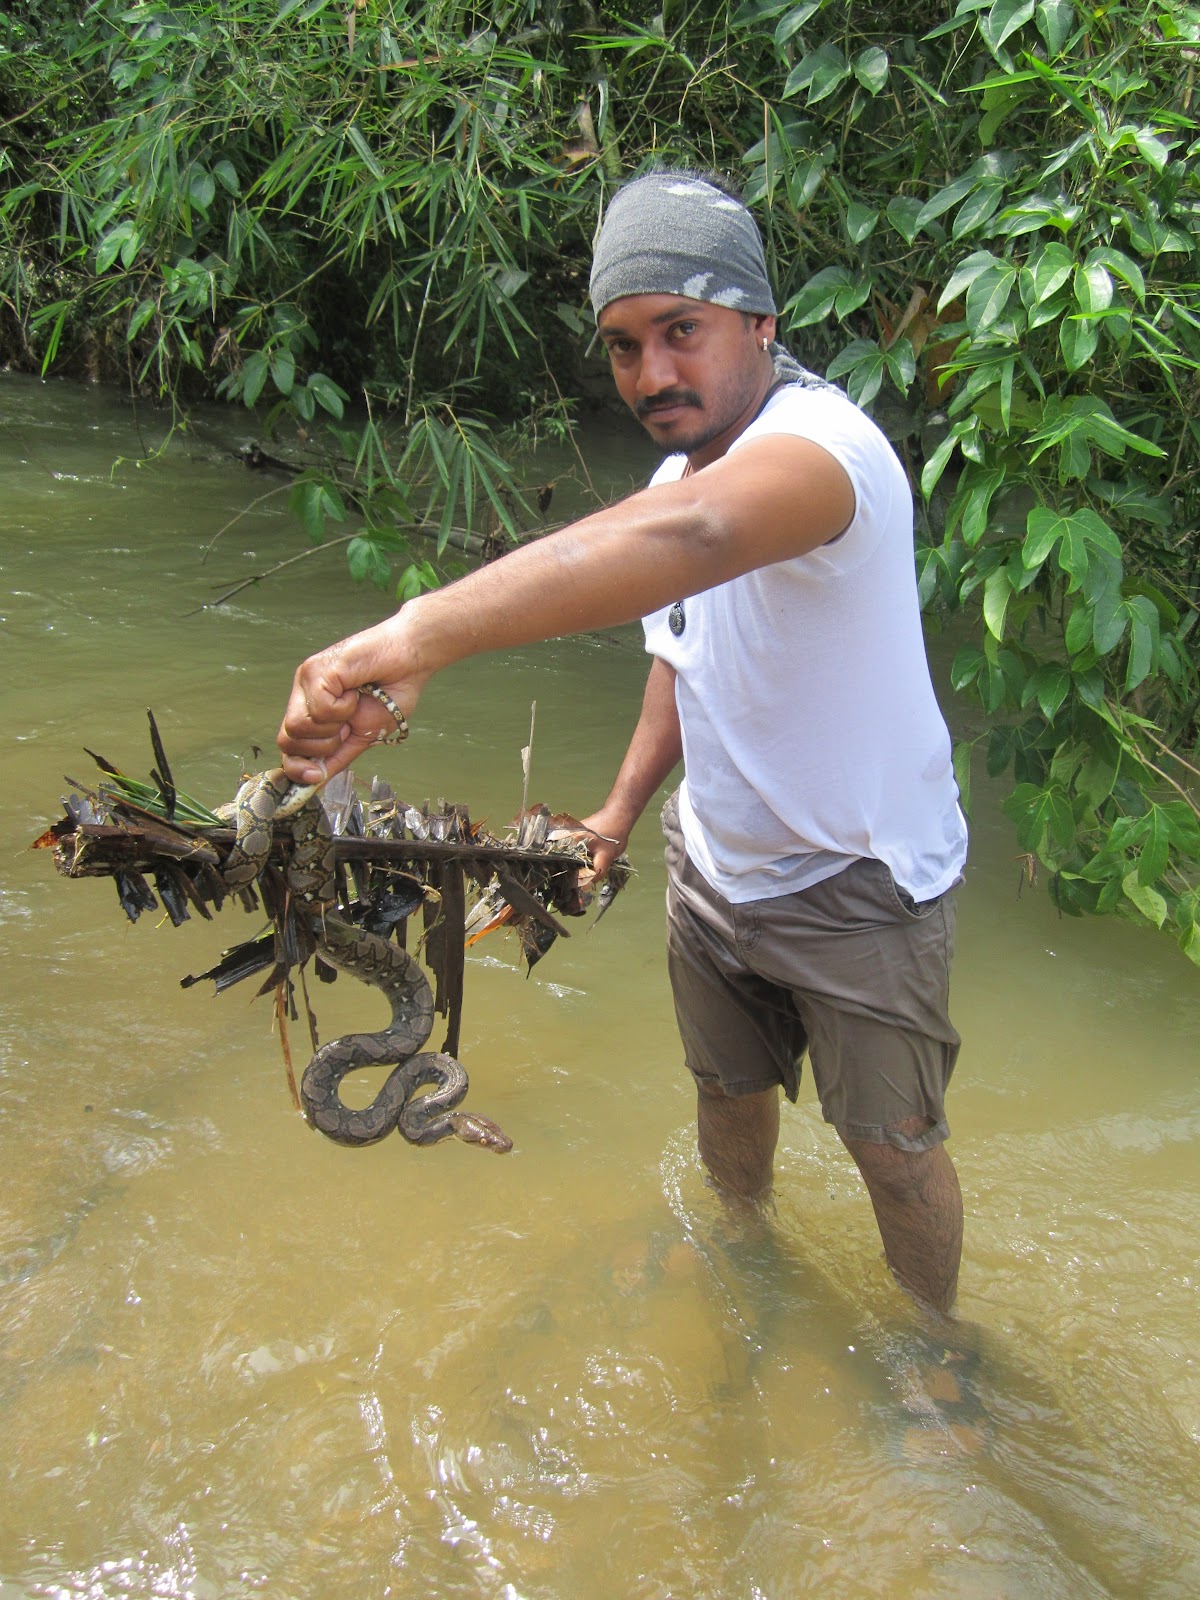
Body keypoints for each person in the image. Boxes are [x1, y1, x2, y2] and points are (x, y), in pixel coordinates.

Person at [278, 171, 969, 1318]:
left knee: (892, 1149)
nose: (651, 375)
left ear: (762, 321)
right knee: (725, 1091)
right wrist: (619, 811)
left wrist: (413, 636)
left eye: (681, 332)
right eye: (622, 345)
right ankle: (744, 1255)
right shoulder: (672, 475)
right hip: (717, 866)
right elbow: (683, 655)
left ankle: (936, 1353)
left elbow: (694, 538)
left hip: (859, 881)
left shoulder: (823, 454)